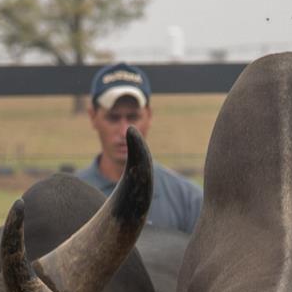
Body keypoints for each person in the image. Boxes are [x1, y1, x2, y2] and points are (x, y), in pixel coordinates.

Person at [75, 62, 202, 234]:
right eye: (113, 118)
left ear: (149, 116)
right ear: (93, 117)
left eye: (133, 117)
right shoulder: (69, 200)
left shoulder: (189, 201)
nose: (124, 132)